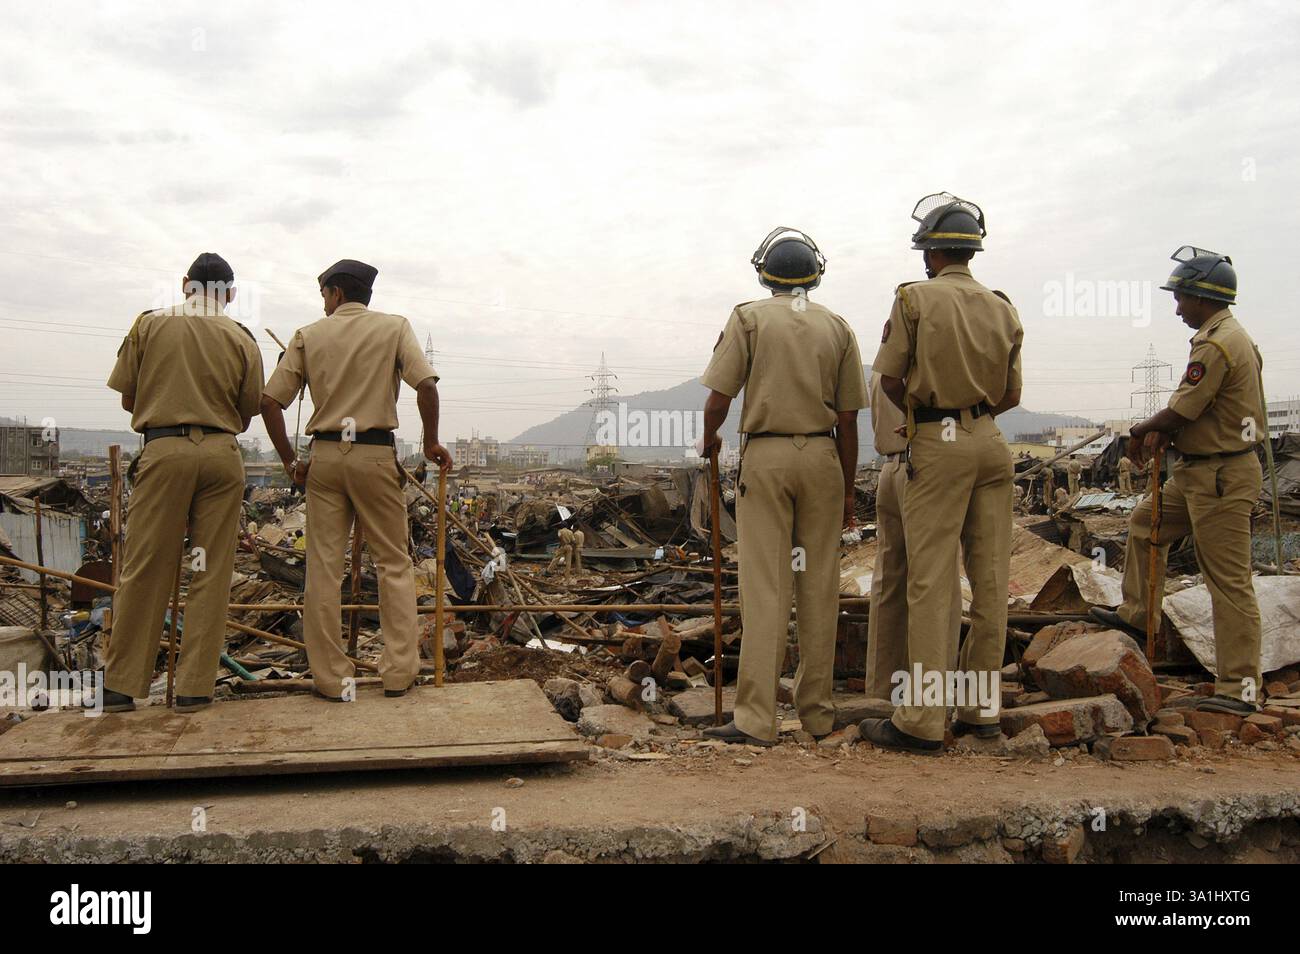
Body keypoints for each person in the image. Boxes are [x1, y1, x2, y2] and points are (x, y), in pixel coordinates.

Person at [861, 193, 1023, 753]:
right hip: (990, 443)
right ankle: (981, 712)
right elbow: (1012, 394)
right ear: (971, 251)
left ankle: (922, 721)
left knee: (930, 582)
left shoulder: (914, 300)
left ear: (931, 253)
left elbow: (887, 381)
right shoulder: (1003, 307)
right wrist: (973, 415)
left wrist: (931, 416)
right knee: (991, 581)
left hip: (937, 442)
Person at [698, 227, 867, 745]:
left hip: (767, 457)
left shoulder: (748, 318)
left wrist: (709, 440)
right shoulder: (837, 327)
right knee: (818, 587)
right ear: (814, 277)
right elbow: (848, 419)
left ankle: (756, 719)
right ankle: (817, 714)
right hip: (822, 456)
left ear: (764, 274)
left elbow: (721, 396)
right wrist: (845, 493)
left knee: (765, 587)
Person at [261, 259, 452, 701]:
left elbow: (270, 403)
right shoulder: (395, 327)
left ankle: (331, 679)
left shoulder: (309, 335)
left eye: (324, 295)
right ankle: (399, 673)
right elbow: (425, 385)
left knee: (324, 569)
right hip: (374, 455)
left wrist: (292, 465)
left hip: (326, 457)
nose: (323, 303)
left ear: (336, 294)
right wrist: (431, 444)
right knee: (393, 564)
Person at [1090, 247, 1265, 715]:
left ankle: (1238, 688)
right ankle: (1136, 614)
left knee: (1227, 582)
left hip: (1221, 475)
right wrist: (1164, 432)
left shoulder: (1218, 342)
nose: (1177, 307)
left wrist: (1145, 429)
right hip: (1197, 472)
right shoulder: (1222, 336)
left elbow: (1185, 406)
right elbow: (1201, 407)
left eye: (1181, 297)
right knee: (1147, 523)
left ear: (1201, 296)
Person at [99, 252, 264, 712]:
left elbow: (129, 398)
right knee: (209, 571)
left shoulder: (149, 325)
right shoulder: (242, 337)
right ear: (230, 294)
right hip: (221, 455)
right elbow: (247, 411)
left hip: (164, 449)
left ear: (185, 284)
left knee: (147, 565)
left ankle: (121, 686)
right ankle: (195, 688)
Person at [863, 372, 962, 701]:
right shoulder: (925, 358)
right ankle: (933, 693)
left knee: (888, 584)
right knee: (938, 582)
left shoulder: (881, 365)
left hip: (888, 471)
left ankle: (881, 690)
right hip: (921, 469)